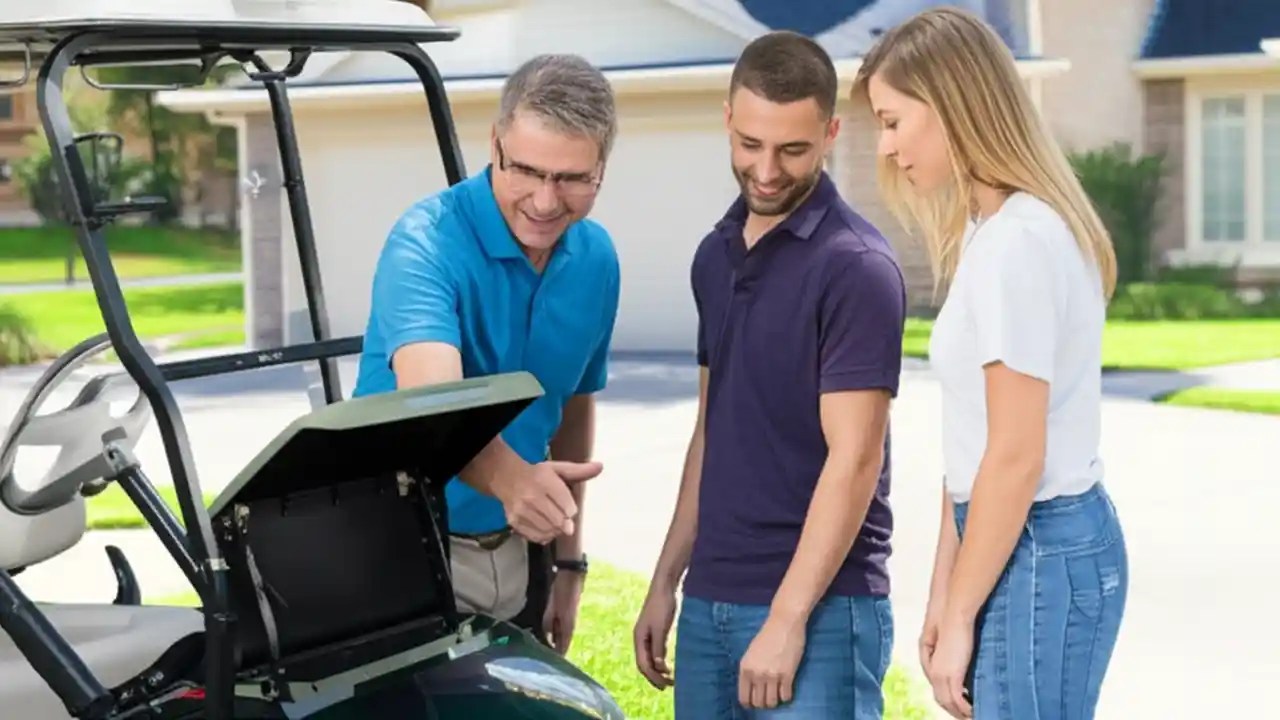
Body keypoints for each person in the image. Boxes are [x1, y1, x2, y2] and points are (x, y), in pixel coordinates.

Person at [851, 7, 1129, 719]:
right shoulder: (990, 232)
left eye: (893, 121)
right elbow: (970, 449)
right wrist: (945, 594)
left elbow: (1015, 454)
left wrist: (964, 608)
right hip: (1011, 541)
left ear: (950, 105)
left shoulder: (1019, 244)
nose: (886, 148)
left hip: (1040, 547)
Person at [633, 30, 907, 718]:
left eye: (792, 149)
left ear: (831, 132)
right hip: (711, 603)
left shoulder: (856, 268)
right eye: (750, 144)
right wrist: (667, 580)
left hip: (820, 611)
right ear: (728, 119)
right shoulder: (714, 257)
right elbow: (711, 431)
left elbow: (856, 457)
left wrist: (786, 621)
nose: (766, 170)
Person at [352, 53, 621, 655]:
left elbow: (571, 405)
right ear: (495, 143)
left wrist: (568, 563)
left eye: (573, 178)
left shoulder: (597, 260)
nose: (547, 202)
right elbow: (432, 405)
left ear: (602, 167)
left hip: (520, 549)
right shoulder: (425, 242)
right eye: (526, 170)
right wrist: (512, 480)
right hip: (398, 549)